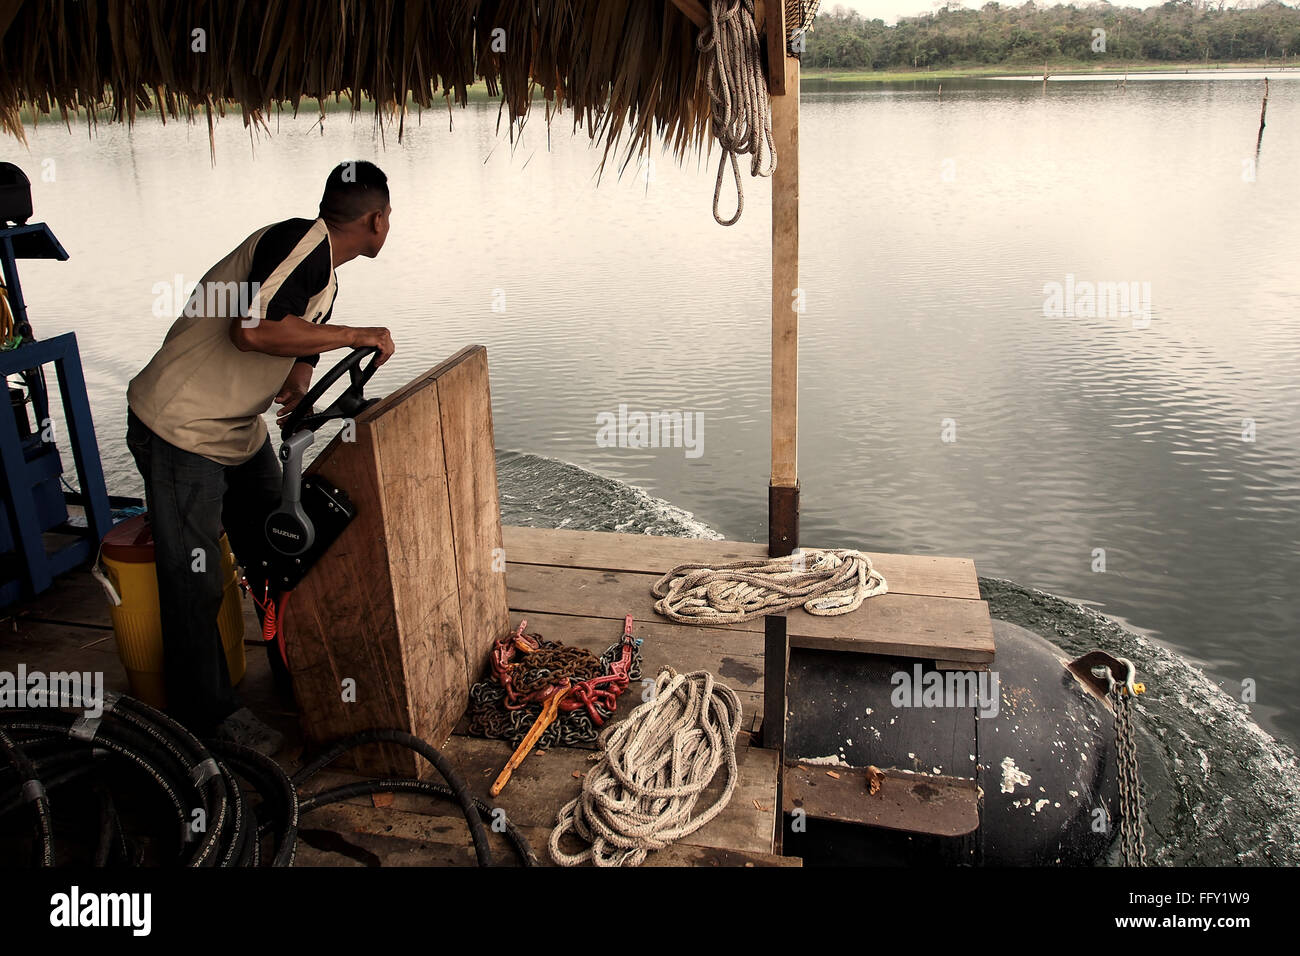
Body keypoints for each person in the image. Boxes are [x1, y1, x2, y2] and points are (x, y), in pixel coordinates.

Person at [124, 160, 396, 754]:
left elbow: (293, 330)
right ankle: (207, 720)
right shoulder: (299, 241)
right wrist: (356, 334)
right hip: (180, 427)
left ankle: (294, 663)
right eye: (388, 217)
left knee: (282, 547)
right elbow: (251, 329)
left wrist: (300, 377)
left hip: (236, 429)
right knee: (192, 576)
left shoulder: (323, 270)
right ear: (377, 219)